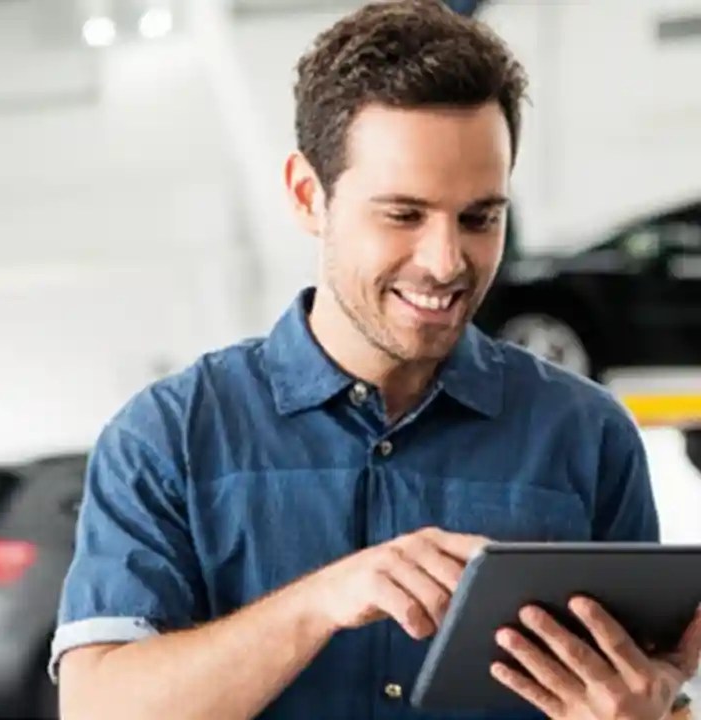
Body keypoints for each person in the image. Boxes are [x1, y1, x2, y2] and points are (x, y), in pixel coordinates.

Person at [50, 2, 701, 719]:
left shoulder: (586, 437)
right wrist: (320, 602)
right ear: (309, 196)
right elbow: (100, 707)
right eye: (403, 215)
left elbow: (648, 692)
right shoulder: (169, 437)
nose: (447, 261)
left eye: (480, 217)